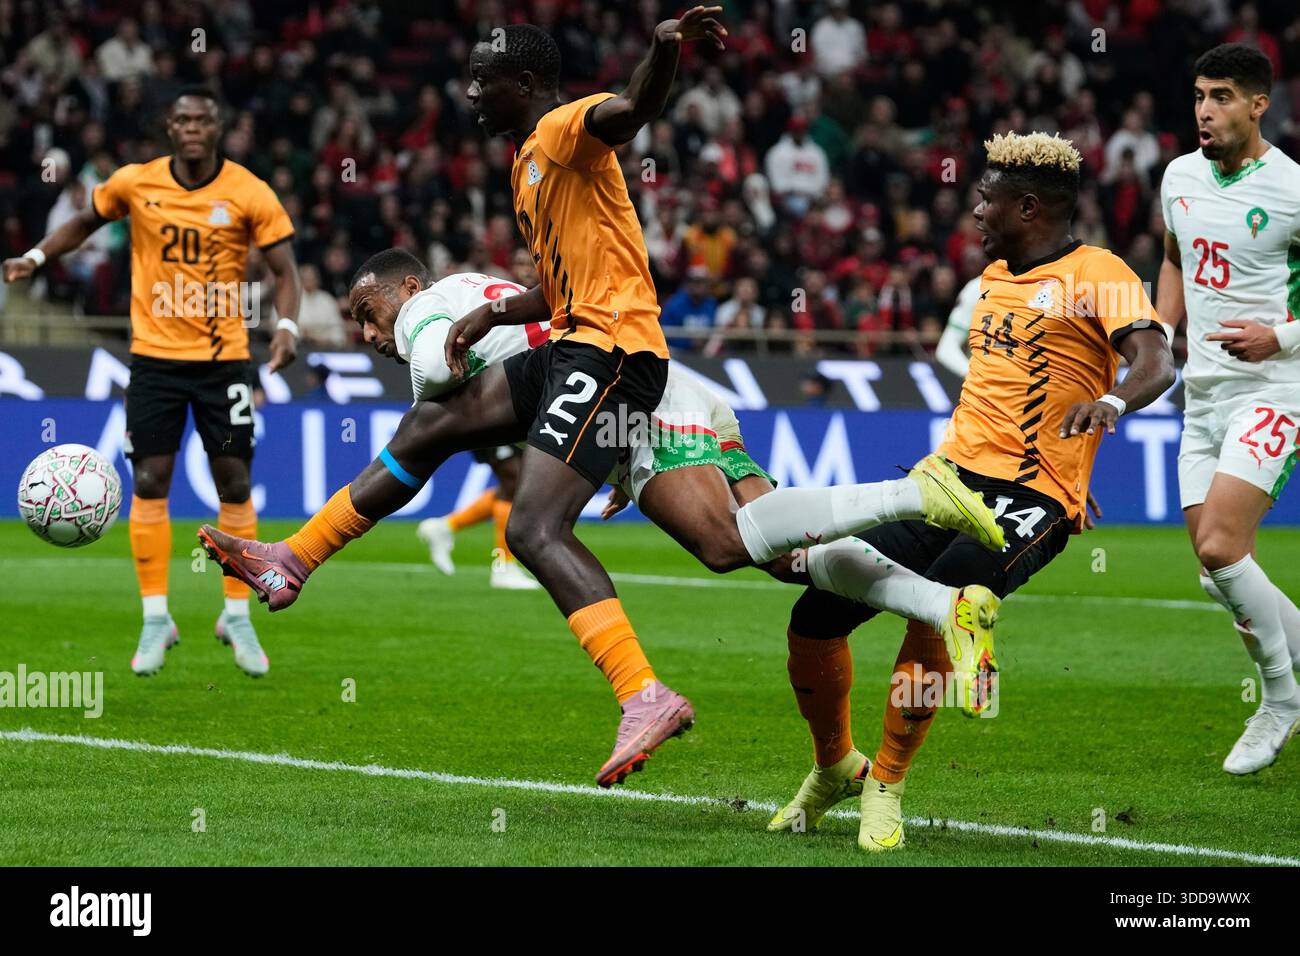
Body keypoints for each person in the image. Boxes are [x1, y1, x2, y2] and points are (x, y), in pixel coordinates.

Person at [197, 249, 1008, 787]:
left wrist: (426, 356)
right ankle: (945, 602)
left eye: (366, 312)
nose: (367, 332)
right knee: (780, 557)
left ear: (404, 288)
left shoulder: (426, 311)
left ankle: (913, 494)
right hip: (663, 398)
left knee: (687, 541)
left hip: (643, 402)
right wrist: (604, 459)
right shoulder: (479, 290)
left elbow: (431, 354)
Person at [767, 132, 1176, 852]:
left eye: (988, 198)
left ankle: (886, 786)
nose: (975, 209)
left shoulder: (1099, 270)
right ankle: (835, 766)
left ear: (1029, 206)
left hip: (1029, 499)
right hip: (946, 481)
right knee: (815, 614)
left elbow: (1155, 360)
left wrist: (1108, 411)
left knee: (942, 606)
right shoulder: (991, 278)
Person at [3, 85, 301, 679]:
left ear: (218, 127)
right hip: (155, 359)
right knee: (150, 478)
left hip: (224, 360)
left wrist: (288, 323)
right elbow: (86, 221)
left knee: (235, 481)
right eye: (182, 119)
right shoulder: (135, 182)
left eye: (203, 119)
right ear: (169, 128)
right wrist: (35, 258)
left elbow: (284, 268)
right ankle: (156, 617)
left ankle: (236, 615)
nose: (192, 127)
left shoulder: (249, 190)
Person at [1157, 43, 1300, 775]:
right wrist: (1158, 330)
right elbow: (1176, 257)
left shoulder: (1292, 190)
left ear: (1256, 104)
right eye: (1198, 96)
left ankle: (1280, 698)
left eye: (1219, 97)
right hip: (1203, 395)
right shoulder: (1179, 176)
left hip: (1277, 389)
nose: (1204, 111)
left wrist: (1280, 334)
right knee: (1216, 572)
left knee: (1219, 545)